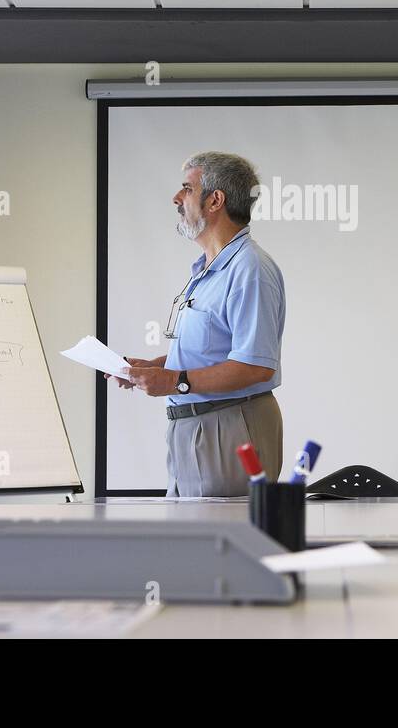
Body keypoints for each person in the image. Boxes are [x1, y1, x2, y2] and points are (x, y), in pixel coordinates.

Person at [110, 151, 286, 496]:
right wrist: (154, 368)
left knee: (222, 543)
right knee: (189, 542)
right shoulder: (207, 269)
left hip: (229, 426)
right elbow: (212, 351)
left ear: (215, 200)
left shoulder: (249, 268)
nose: (177, 198)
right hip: (194, 426)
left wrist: (175, 380)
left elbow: (255, 366)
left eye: (187, 189)